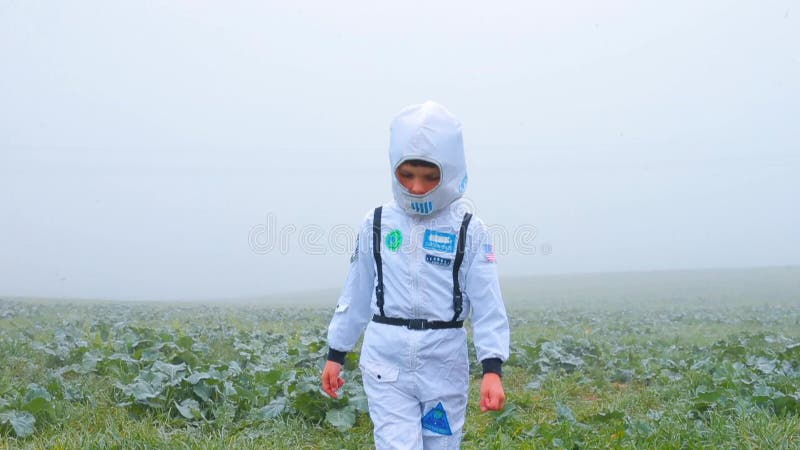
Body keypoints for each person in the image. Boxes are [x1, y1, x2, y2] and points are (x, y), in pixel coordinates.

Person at [321, 101, 510, 449]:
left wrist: (492, 370)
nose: (418, 187)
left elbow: (487, 303)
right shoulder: (376, 223)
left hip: (443, 364)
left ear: (450, 172)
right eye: (406, 175)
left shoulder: (469, 228)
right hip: (386, 363)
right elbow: (357, 292)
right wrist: (336, 354)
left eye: (430, 176)